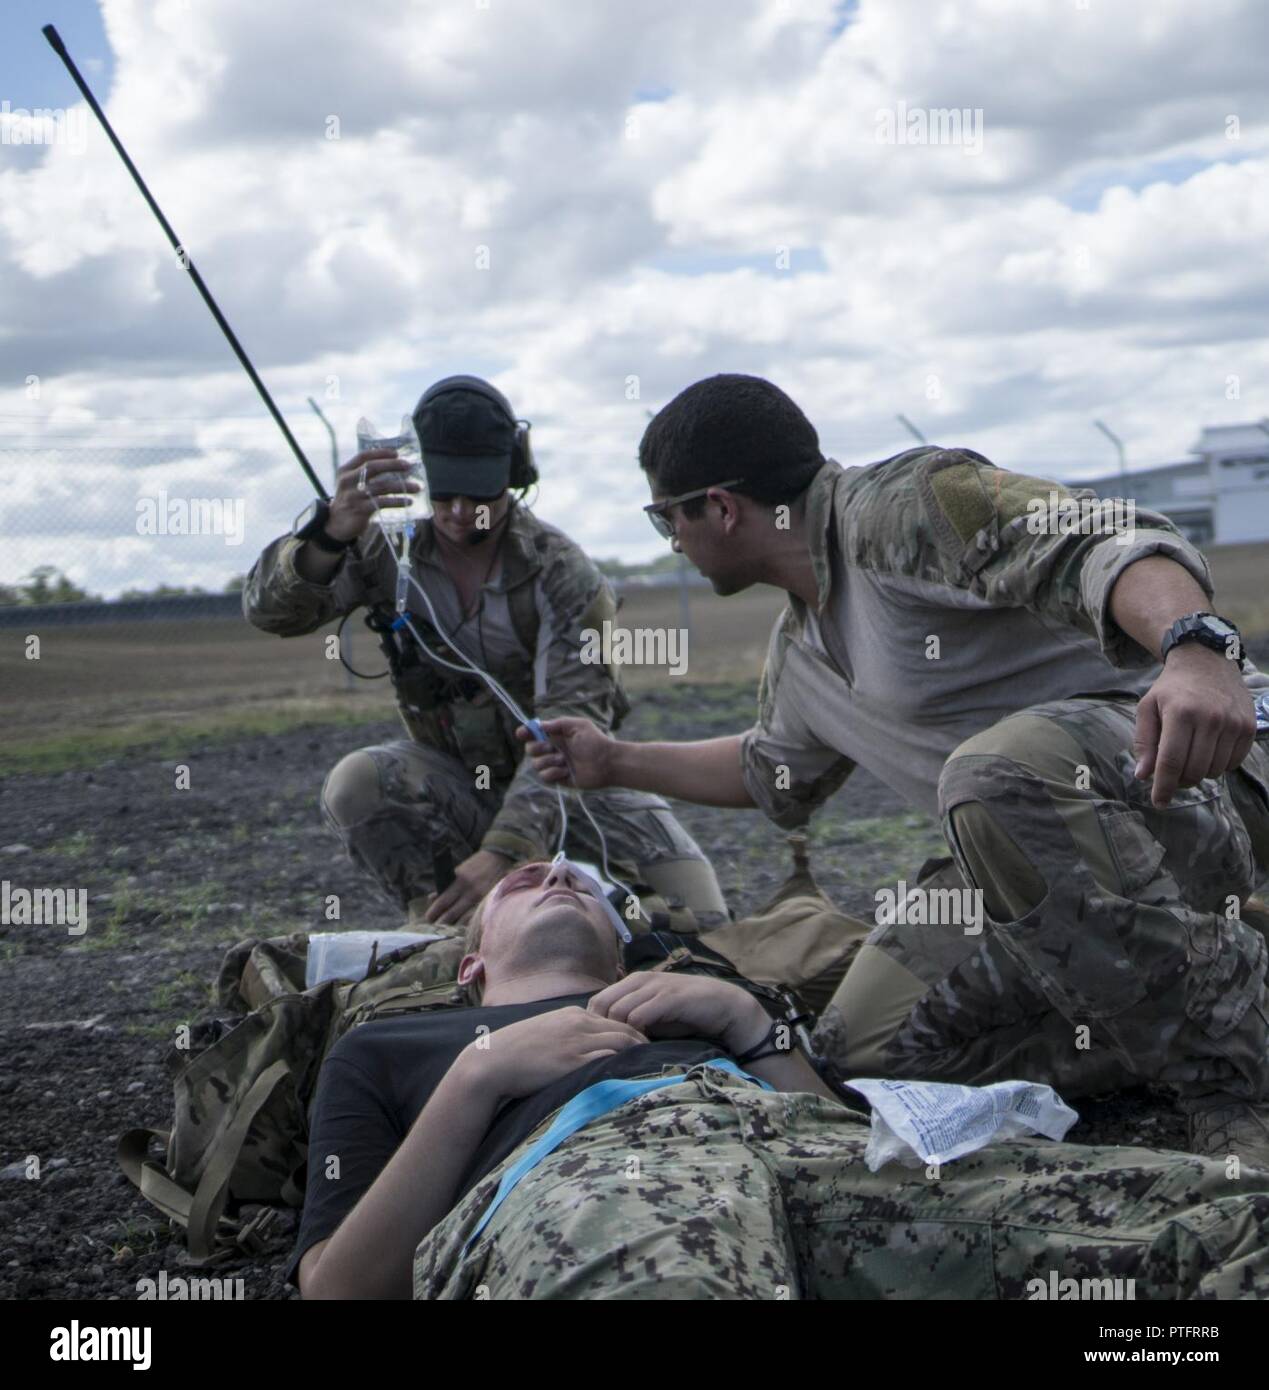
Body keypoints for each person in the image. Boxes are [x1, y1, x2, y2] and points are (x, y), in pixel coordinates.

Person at [520, 373, 1269, 1169]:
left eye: (664, 516)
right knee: (861, 1055)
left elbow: (1107, 536)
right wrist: (612, 760)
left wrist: (1194, 649)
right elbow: (771, 774)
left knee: (993, 775)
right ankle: (1201, 995)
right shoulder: (801, 649)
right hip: (1037, 864)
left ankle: (1234, 1080)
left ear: (720, 507)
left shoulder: (899, 510)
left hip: (1210, 768)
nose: (669, 539)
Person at [292, 857, 1269, 1300]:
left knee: (1211, 1220)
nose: (556, 877)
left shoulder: (691, 992)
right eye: (523, 882)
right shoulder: (399, 1047)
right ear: (470, 964)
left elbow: (834, 1140)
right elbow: (339, 1285)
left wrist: (754, 1028)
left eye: (583, 882)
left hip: (790, 1146)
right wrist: (479, 1076)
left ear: (622, 936)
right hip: (585, 1173)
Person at [243, 375, 728, 953]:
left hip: (579, 794)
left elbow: (567, 737)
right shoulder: (384, 555)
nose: (457, 513)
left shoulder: (563, 572)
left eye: (478, 497)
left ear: (515, 479)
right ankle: (452, 936)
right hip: (459, 789)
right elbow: (273, 614)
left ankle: (541, 920)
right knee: (357, 783)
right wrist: (329, 534)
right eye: (443, 495)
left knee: (707, 933)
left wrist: (505, 852)